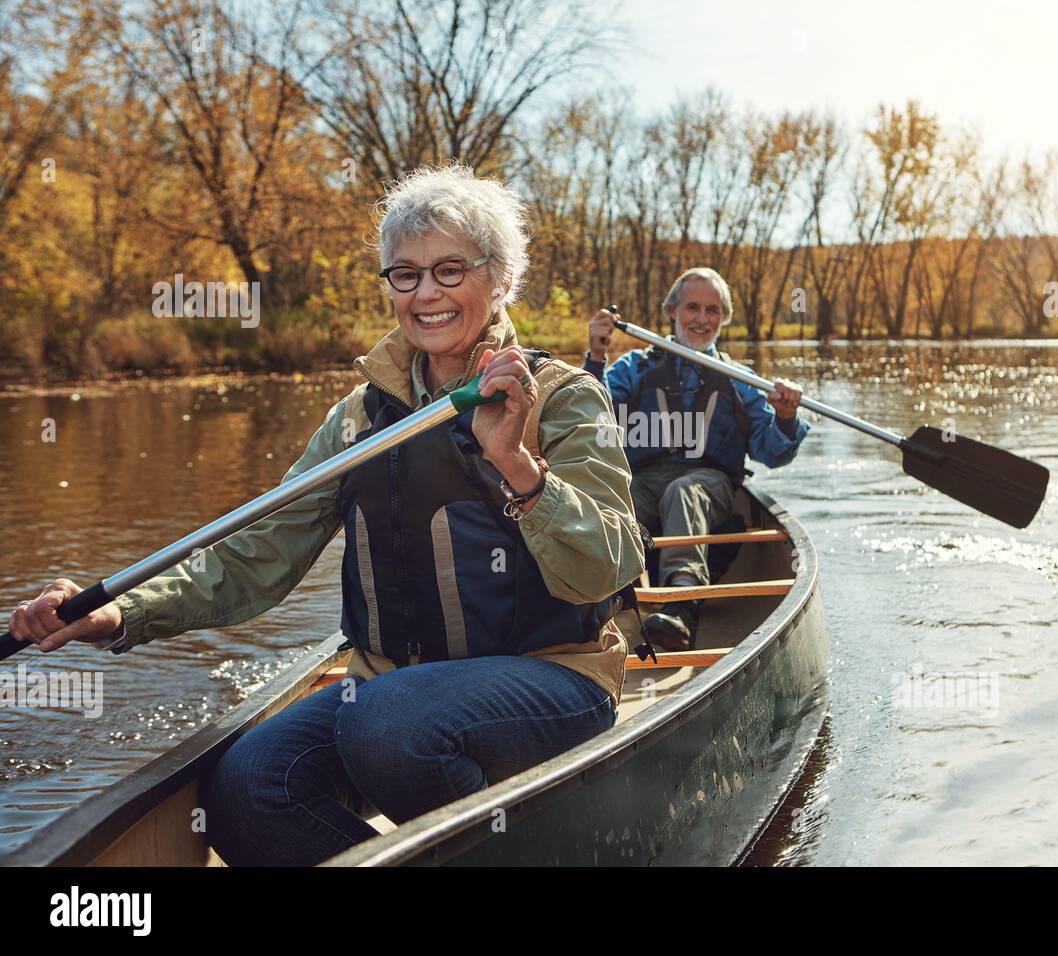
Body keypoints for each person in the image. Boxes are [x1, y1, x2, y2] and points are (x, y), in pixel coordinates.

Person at [6, 164, 645, 866]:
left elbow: (609, 565)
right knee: (247, 790)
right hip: (386, 690)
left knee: (389, 725)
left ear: (500, 280)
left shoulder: (563, 396)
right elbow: (255, 553)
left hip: (551, 677)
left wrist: (516, 464)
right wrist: (118, 611)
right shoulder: (356, 421)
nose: (426, 294)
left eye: (450, 270)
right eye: (405, 275)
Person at [584, 267, 809, 650]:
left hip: (708, 484)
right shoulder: (633, 368)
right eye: (692, 307)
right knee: (614, 498)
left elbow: (771, 452)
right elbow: (591, 420)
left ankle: (682, 604)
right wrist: (596, 357)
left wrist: (786, 417)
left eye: (713, 310)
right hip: (643, 480)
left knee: (683, 491)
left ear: (723, 318)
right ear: (672, 311)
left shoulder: (739, 379)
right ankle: (601, 604)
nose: (702, 319)